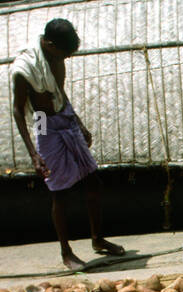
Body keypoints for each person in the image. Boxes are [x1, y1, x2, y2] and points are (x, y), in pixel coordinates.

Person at [11, 19, 124, 271]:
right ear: (49, 45)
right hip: (41, 121)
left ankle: (97, 239)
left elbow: (60, 93)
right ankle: (66, 251)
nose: (66, 58)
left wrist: (79, 123)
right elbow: (18, 111)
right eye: (64, 53)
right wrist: (34, 154)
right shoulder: (25, 67)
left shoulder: (57, 55)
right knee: (59, 192)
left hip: (64, 114)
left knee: (93, 181)